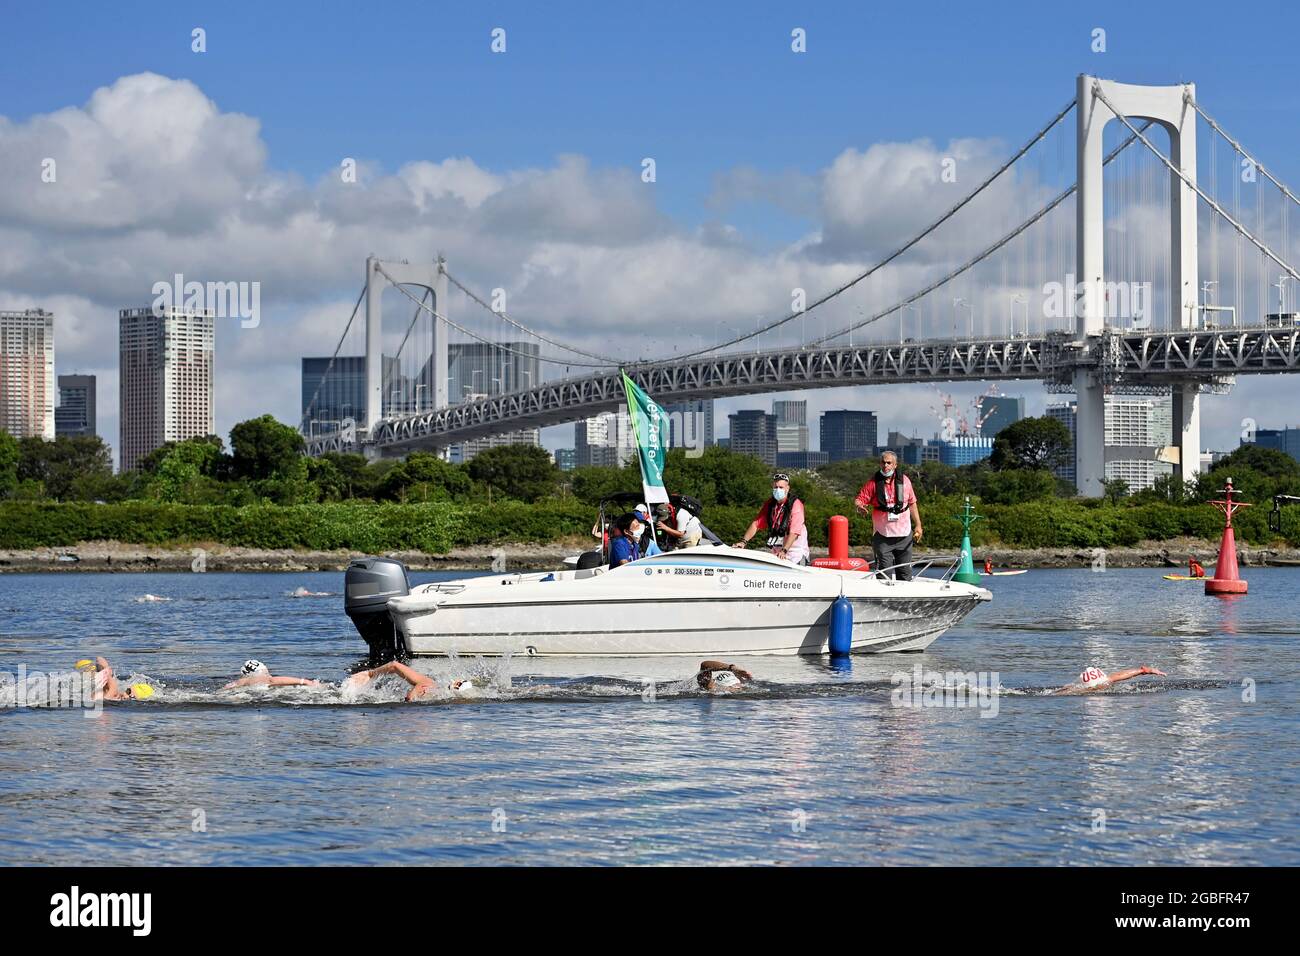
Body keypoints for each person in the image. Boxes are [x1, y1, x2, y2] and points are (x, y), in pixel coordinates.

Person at [855, 450, 923, 580]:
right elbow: (860, 498)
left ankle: (903, 598)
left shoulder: (905, 481)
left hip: (904, 535)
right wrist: (860, 506)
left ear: (895, 465)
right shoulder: (873, 483)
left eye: (889, 463)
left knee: (905, 574)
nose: (885, 465)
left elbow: (912, 503)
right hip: (883, 536)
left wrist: (918, 525)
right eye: (883, 462)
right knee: (884, 573)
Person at [734, 473, 809, 564]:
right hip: (777, 553)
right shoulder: (770, 504)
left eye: (781, 487)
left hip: (795, 554)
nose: (778, 490)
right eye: (775, 487)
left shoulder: (796, 505)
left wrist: (784, 550)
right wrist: (743, 542)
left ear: (787, 488)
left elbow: (794, 532)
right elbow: (756, 524)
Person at [343, 661, 479, 701]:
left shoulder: (429, 686)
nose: (457, 681)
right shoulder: (430, 686)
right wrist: (370, 674)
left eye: (459, 682)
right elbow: (394, 665)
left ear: (456, 685)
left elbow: (394, 665)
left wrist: (371, 674)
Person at [1052, 664, 1166, 696]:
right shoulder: (1097, 686)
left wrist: (1143, 671)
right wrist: (1143, 671)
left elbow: (1120, 675)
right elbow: (1120, 675)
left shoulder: (1074, 687)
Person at [74, 657, 155, 701]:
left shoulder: (112, 693)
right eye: (128, 690)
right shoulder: (113, 691)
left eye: (130, 694)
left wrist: (104, 671)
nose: (126, 694)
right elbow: (100, 659)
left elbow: (101, 661)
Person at [223, 659, 321, 690]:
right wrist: (305, 681)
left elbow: (226, 688)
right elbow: (272, 680)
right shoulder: (259, 678)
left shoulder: (241, 681)